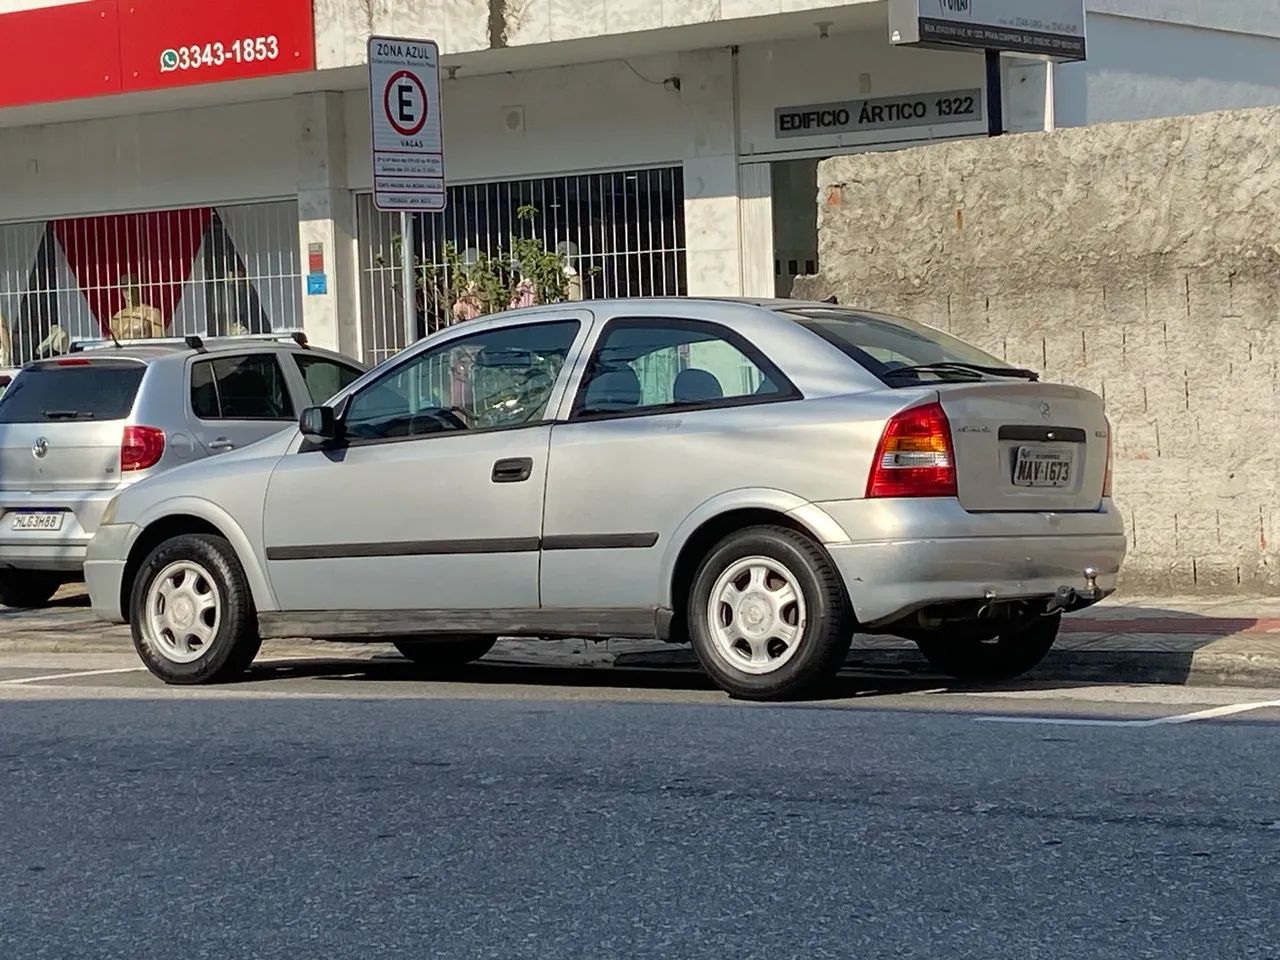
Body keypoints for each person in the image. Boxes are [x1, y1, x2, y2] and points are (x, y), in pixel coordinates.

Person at [110, 274, 165, 339]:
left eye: (133, 287)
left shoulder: (151, 312)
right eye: (126, 288)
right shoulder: (117, 318)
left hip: (145, 348)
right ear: (122, 291)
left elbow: (159, 341)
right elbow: (114, 344)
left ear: (138, 288)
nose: (129, 291)